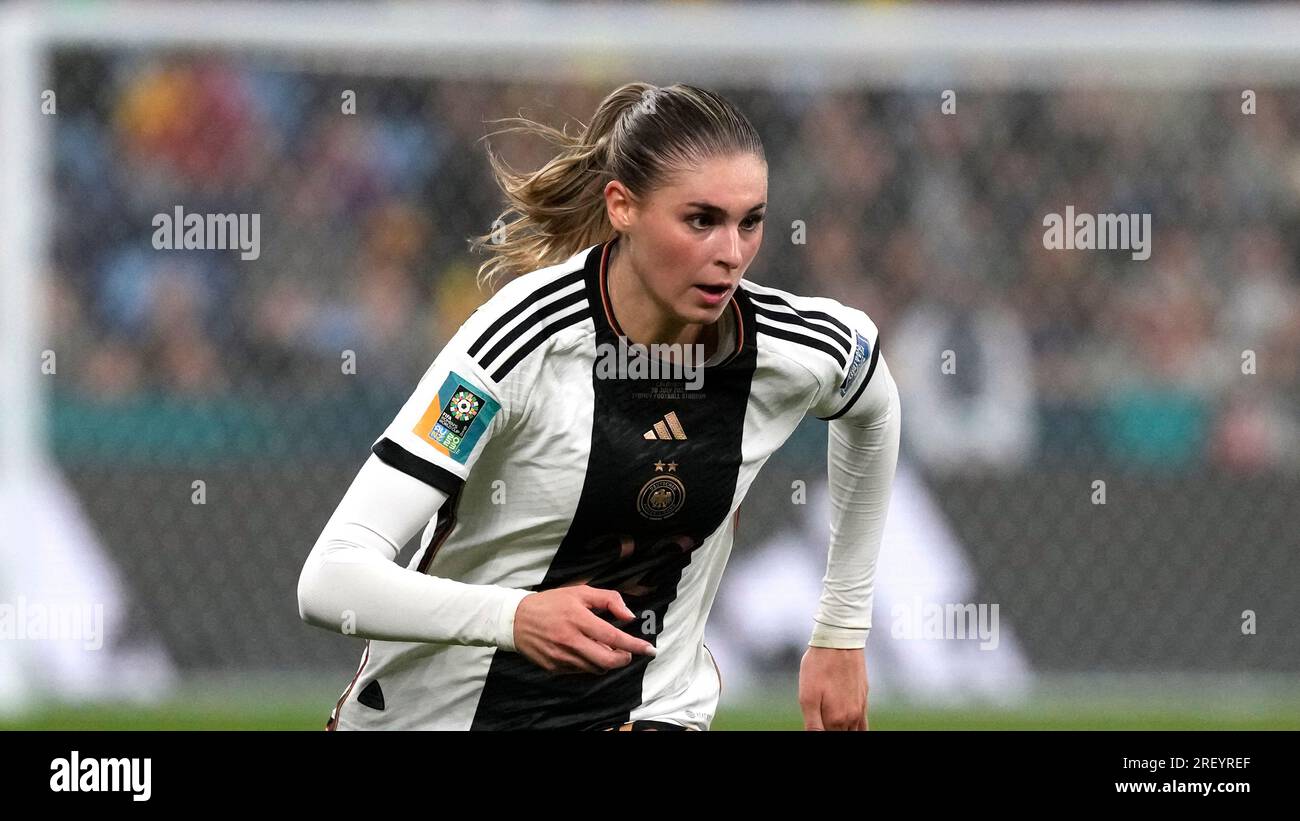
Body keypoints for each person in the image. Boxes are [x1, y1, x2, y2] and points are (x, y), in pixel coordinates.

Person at [296, 82, 901, 731]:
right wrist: (515, 617)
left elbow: (874, 404)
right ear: (622, 207)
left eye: (748, 220)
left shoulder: (789, 349)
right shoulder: (520, 342)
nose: (730, 253)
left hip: (648, 710)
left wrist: (842, 627)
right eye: (700, 220)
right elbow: (331, 578)